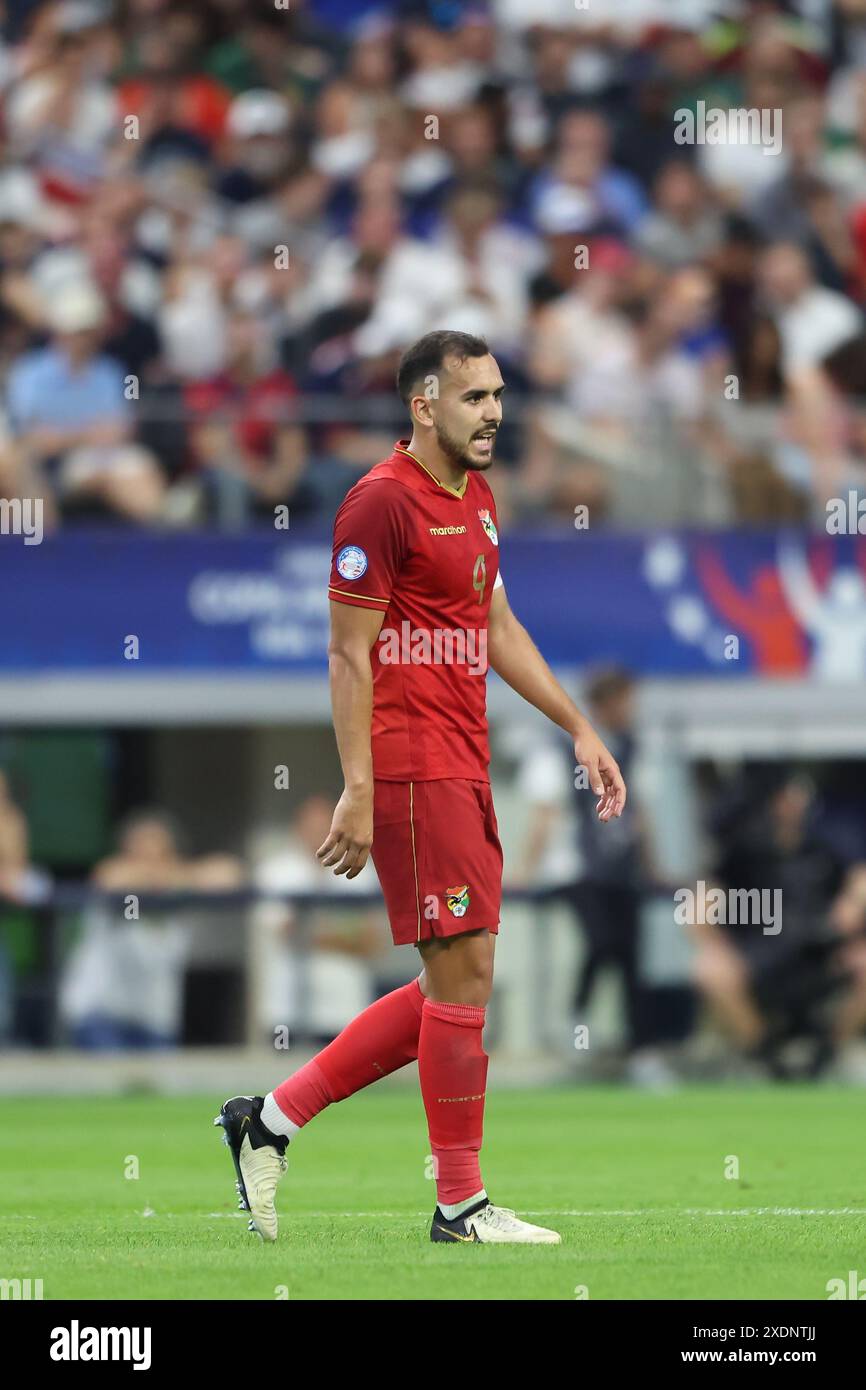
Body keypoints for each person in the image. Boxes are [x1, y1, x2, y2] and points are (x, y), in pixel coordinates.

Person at [215, 329, 626, 1244]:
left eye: (498, 396)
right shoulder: (378, 504)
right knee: (465, 973)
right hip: (409, 765)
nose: (494, 414)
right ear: (423, 403)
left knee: (459, 976)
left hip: (463, 757)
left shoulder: (475, 496)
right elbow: (346, 652)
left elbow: (498, 625)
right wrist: (357, 787)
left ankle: (270, 1121)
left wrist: (579, 726)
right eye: (475, 397)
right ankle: (460, 1204)